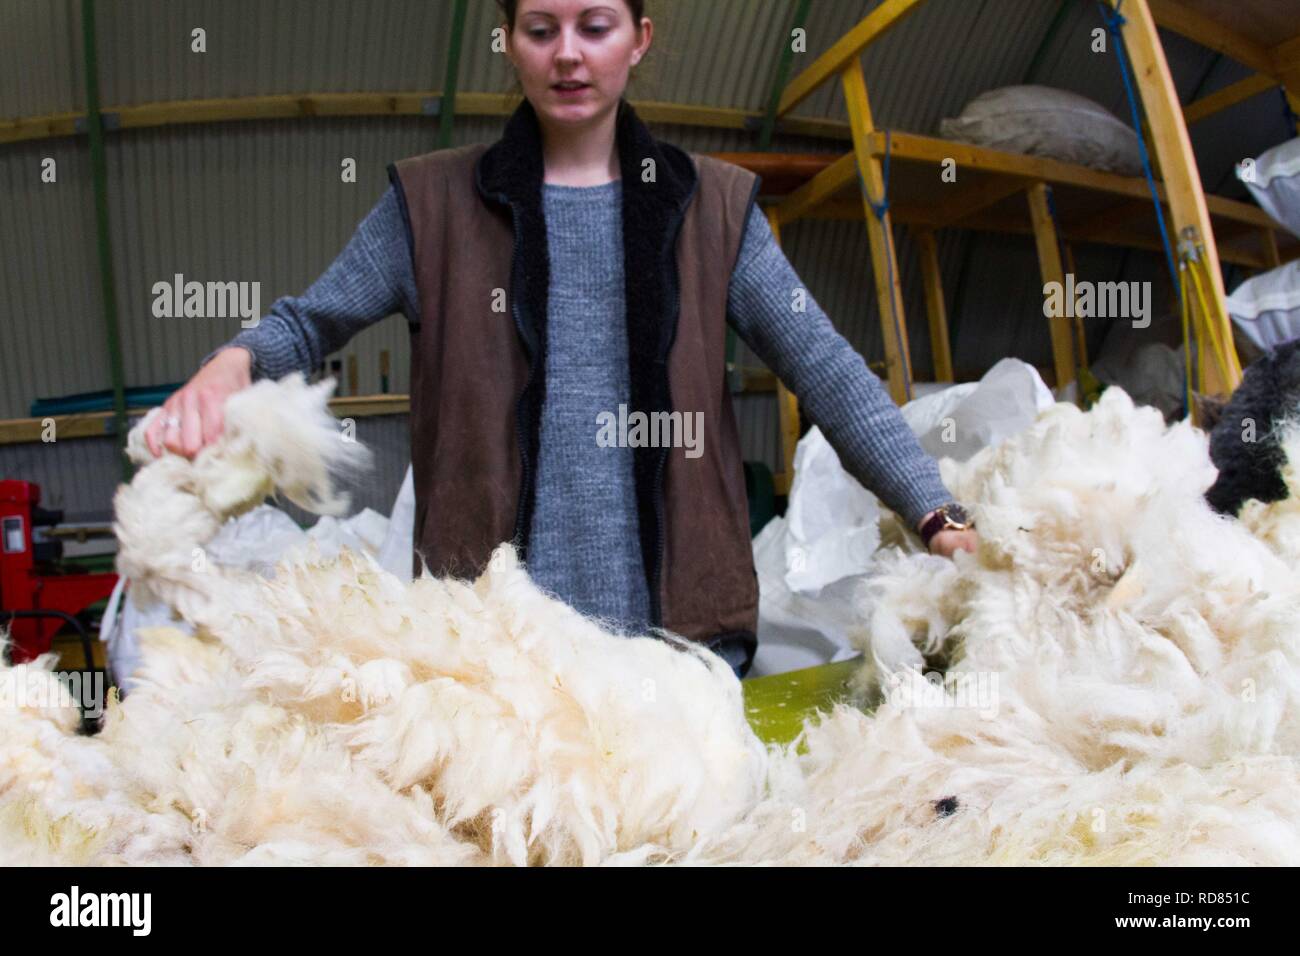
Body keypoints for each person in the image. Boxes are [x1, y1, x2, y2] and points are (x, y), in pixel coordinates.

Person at [146, 0, 977, 678]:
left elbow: (824, 365)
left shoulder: (712, 210)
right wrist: (231, 365)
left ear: (639, 39)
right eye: (541, 30)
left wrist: (933, 511)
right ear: (508, 41)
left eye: (595, 26)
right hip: (496, 666)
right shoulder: (432, 207)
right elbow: (308, 321)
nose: (568, 55)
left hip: (679, 659)